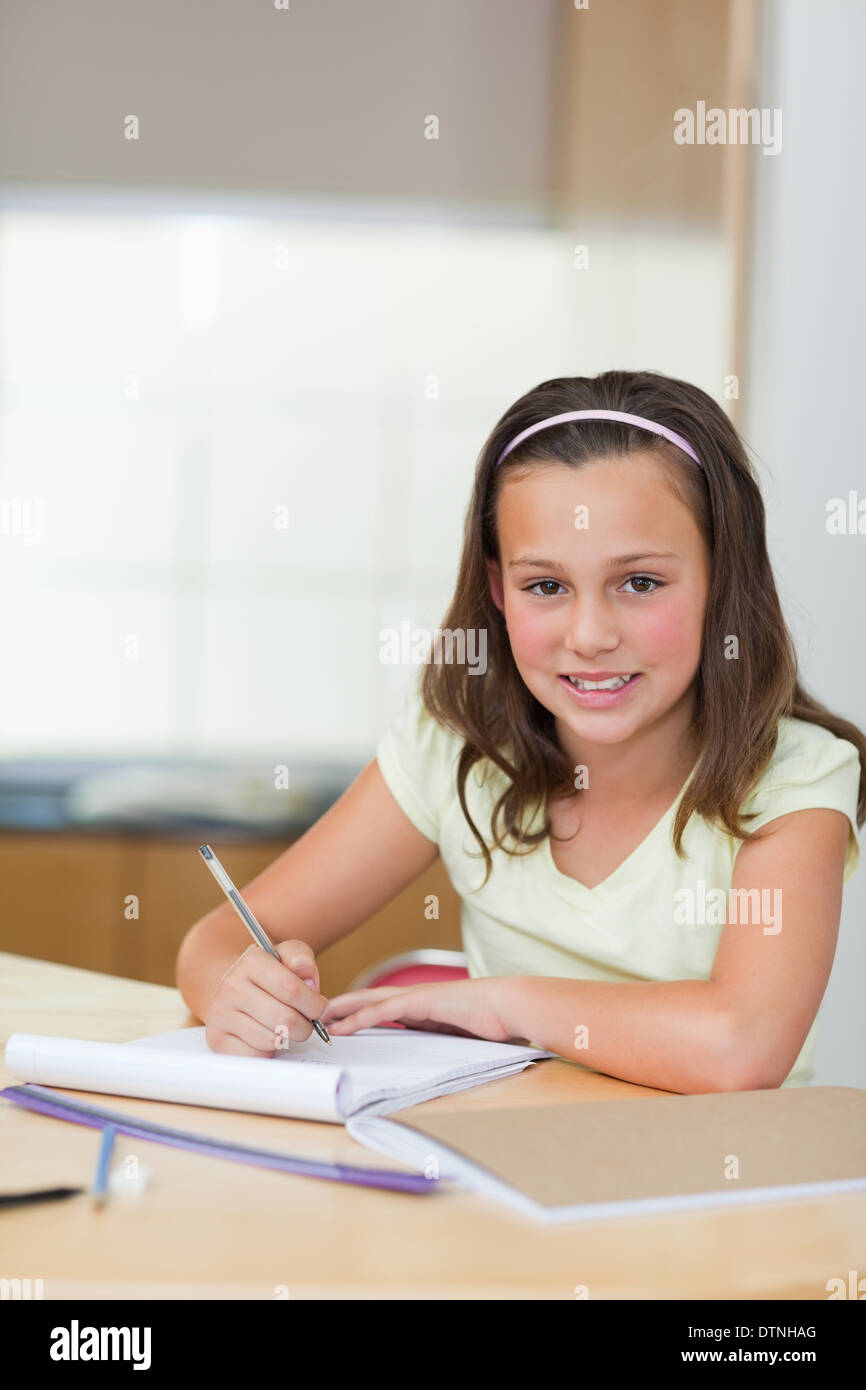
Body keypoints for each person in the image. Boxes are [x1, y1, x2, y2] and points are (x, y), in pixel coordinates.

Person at [176, 369, 865, 1092]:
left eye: (639, 582)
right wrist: (241, 989)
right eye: (547, 586)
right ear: (499, 590)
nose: (590, 634)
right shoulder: (457, 747)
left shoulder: (797, 778)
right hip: (514, 1170)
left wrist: (502, 1002)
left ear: (722, 580)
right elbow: (214, 941)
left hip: (726, 1188)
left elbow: (740, 1047)